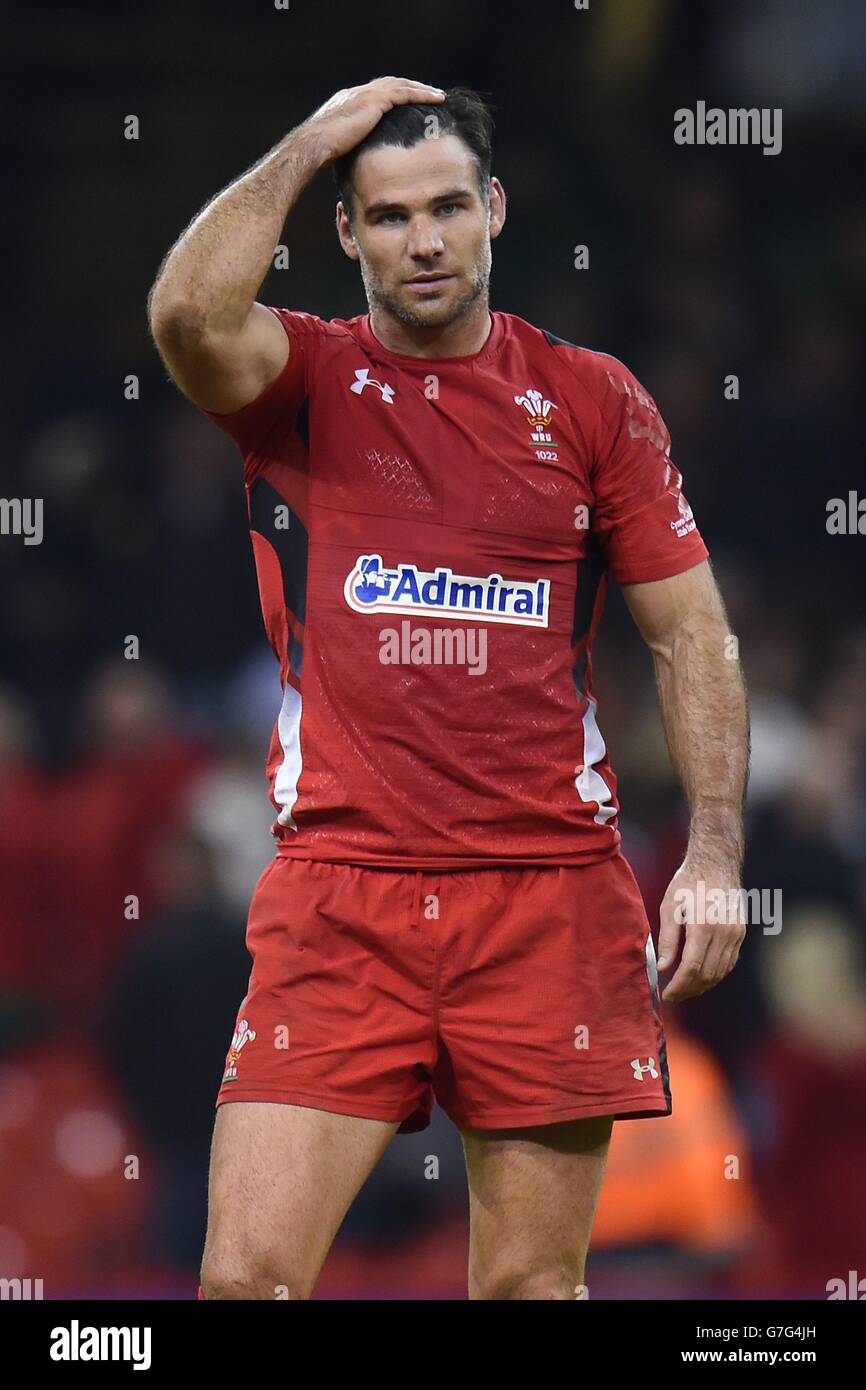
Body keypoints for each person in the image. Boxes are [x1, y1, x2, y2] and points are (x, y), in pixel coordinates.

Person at [147, 78, 749, 1301]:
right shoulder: (300, 379)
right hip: (340, 890)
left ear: (494, 212)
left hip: (546, 891)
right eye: (385, 215)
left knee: (531, 1288)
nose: (421, 240)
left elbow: (691, 634)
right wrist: (311, 139)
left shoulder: (590, 398)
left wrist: (714, 854)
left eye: (446, 208)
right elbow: (183, 316)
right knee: (243, 1280)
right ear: (345, 233)